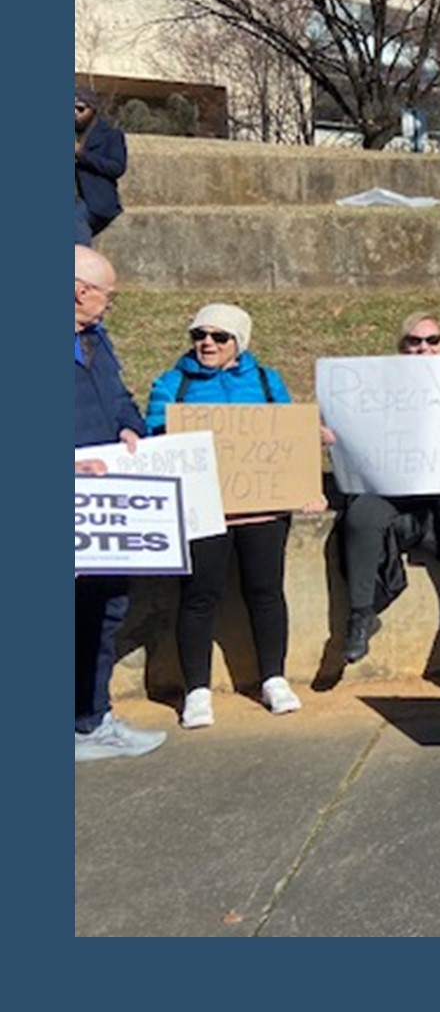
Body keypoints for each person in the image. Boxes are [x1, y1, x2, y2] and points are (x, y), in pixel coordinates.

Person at [144, 303, 308, 727]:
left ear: (239, 341)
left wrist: (308, 462)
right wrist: (169, 434)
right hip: (203, 509)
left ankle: (274, 678)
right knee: (199, 597)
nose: (207, 343)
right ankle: (197, 690)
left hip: (262, 509)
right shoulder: (173, 382)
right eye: (200, 335)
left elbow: (287, 434)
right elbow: (154, 430)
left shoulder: (267, 381)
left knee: (266, 592)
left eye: (219, 337)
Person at [336, 313, 440, 664]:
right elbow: (356, 428)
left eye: (432, 341)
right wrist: (336, 434)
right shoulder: (377, 385)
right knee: (361, 516)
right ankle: (361, 615)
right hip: (392, 486)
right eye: (414, 341)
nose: (423, 348)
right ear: (402, 347)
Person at [74, 245, 166, 762]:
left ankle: (91, 719)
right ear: (78, 291)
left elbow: (118, 397)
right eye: (107, 294)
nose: (111, 303)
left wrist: (131, 423)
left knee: (106, 608)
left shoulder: (96, 338)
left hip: (105, 503)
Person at [75, 85, 128, 246]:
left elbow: (117, 167)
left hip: (94, 201)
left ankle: (79, 266)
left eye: (80, 108)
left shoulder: (110, 135)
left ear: (92, 109)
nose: (74, 113)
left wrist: (82, 155)